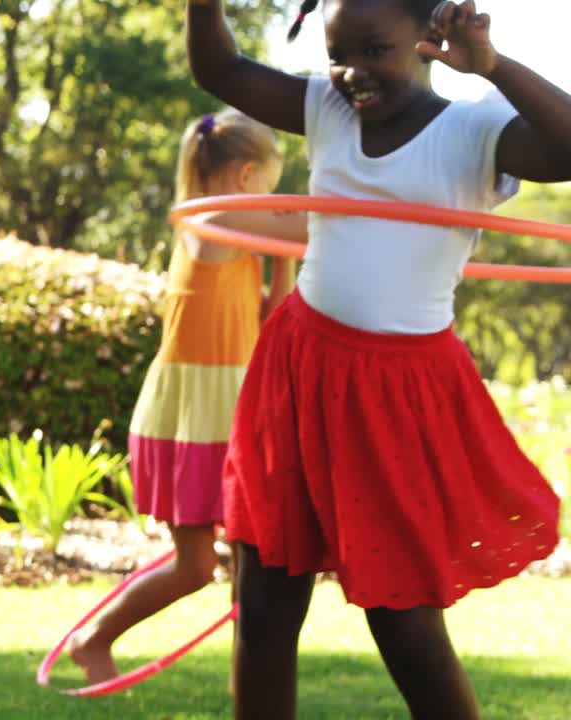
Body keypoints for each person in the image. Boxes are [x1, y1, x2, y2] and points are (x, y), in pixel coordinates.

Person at [186, 1, 568, 717]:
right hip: (298, 369)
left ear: (428, 39)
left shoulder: (474, 128)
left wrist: (496, 68)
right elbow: (219, 69)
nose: (353, 72)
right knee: (263, 604)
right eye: (338, 52)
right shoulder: (325, 106)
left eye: (375, 50)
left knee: (403, 620)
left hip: (396, 389)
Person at [67, 108, 306, 684]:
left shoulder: (232, 231)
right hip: (196, 415)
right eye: (270, 184)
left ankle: (249, 673)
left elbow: (276, 314)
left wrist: (284, 260)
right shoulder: (215, 222)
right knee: (198, 566)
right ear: (248, 175)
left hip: (229, 404)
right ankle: (94, 638)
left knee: (258, 554)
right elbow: (318, 227)